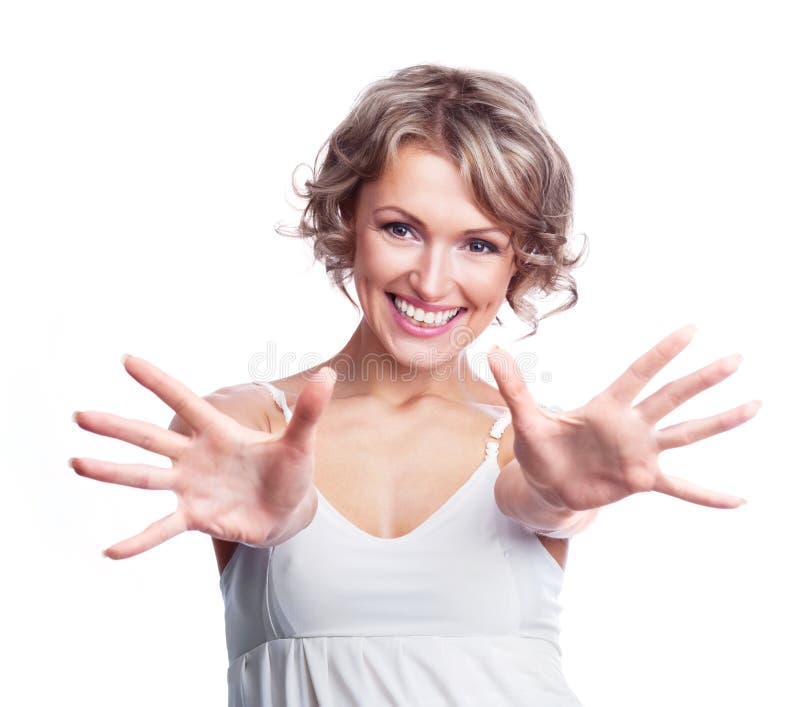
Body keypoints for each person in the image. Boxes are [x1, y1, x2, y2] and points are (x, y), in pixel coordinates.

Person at [70, 64, 760, 706]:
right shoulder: (246, 424)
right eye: (401, 229)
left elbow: (541, 494)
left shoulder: (538, 442)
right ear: (349, 219)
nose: (431, 281)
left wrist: (561, 492)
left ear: (520, 262)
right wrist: (283, 521)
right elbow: (282, 507)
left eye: (479, 244)